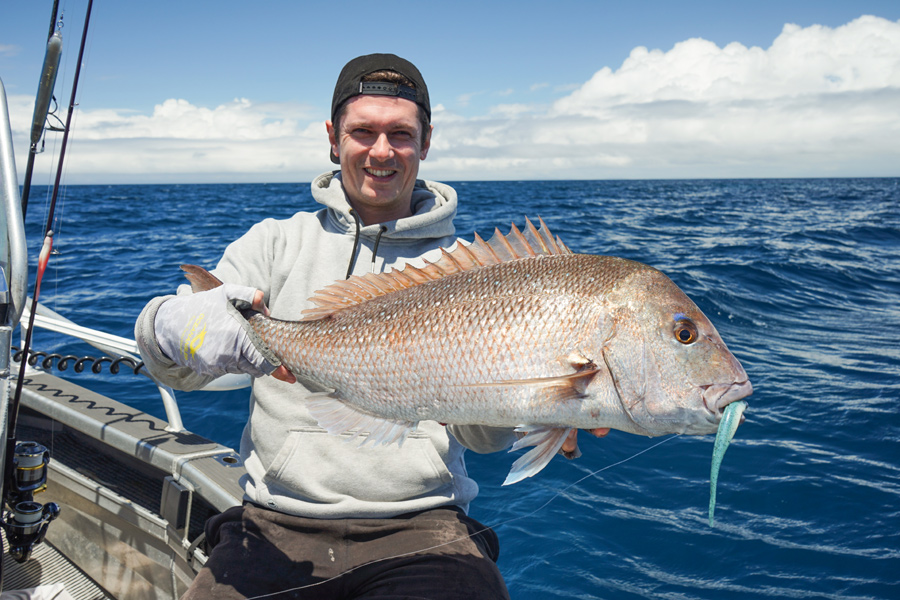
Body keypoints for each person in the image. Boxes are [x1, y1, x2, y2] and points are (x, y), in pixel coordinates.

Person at [135, 53, 606, 600]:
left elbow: (479, 439)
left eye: (401, 134)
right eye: (363, 131)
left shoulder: (474, 268)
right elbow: (168, 363)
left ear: (425, 143)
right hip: (274, 522)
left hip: (424, 527)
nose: (381, 151)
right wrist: (182, 329)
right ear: (334, 139)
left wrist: (530, 402)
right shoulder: (273, 244)